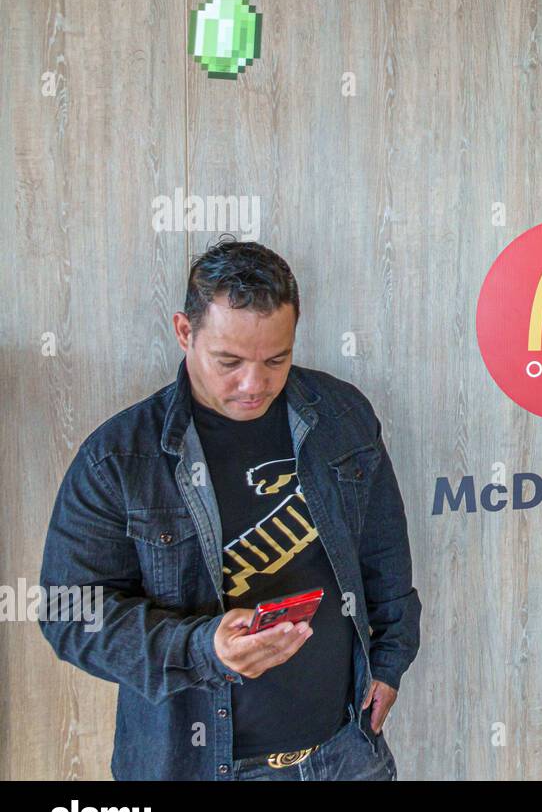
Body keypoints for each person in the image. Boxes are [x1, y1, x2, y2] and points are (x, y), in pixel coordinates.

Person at [38, 238, 421, 780]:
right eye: (229, 361)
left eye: (276, 359)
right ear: (183, 332)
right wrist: (202, 648)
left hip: (346, 754)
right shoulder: (118, 458)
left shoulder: (342, 415)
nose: (254, 384)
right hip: (195, 766)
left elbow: (384, 554)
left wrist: (390, 663)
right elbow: (68, 616)